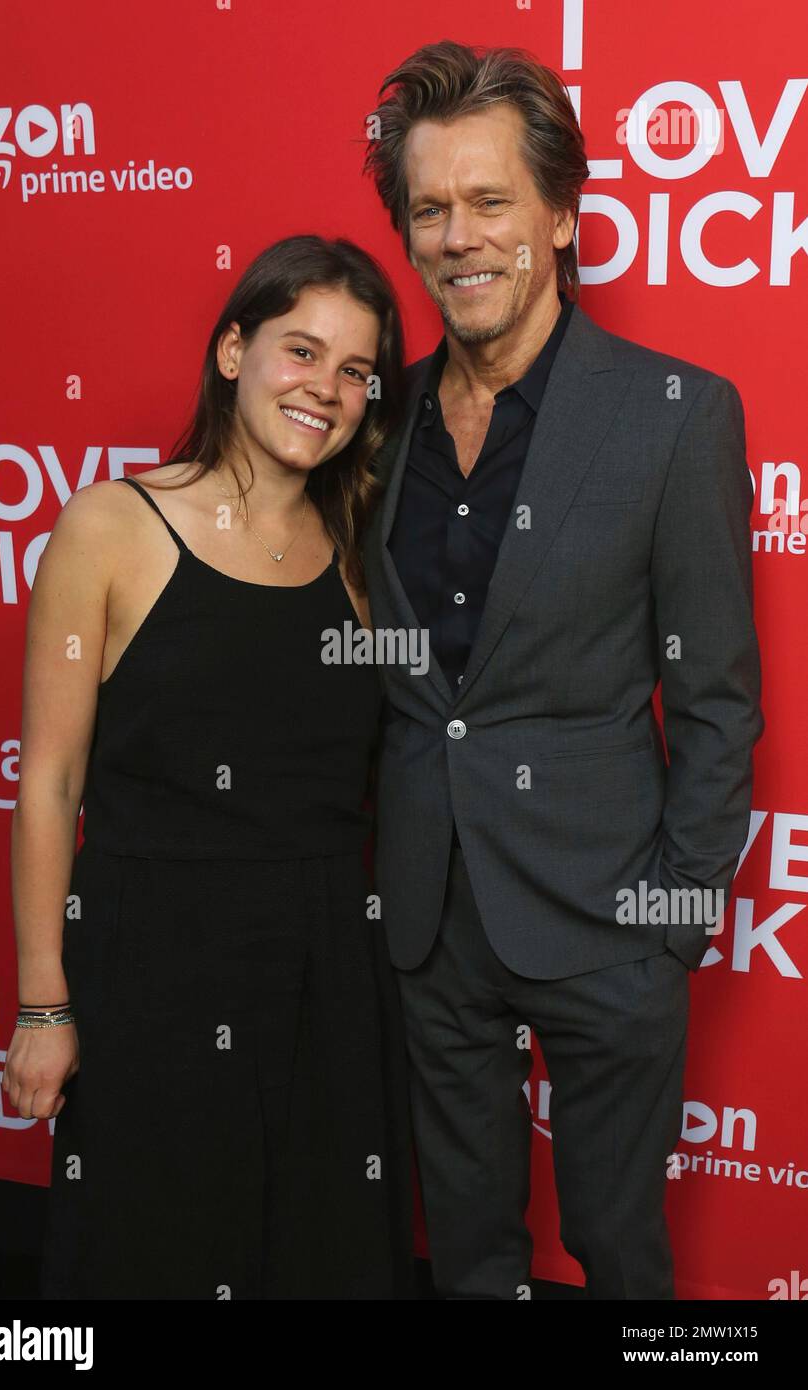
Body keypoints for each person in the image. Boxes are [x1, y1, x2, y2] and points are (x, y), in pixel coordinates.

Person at [361, 41, 764, 1299]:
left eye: (488, 202)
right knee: (467, 1251)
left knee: (619, 1255)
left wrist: (674, 921)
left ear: (560, 216)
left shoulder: (676, 414)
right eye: (429, 209)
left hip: (609, 924)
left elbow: (713, 697)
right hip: (430, 914)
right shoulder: (382, 417)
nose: (457, 236)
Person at [4, 234, 416, 1299]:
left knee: (323, 1255)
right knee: (154, 1252)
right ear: (233, 350)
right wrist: (45, 1007)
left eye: (355, 372)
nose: (324, 390)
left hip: (329, 965)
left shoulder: (365, 552)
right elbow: (48, 783)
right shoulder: (109, 525)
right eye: (299, 351)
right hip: (153, 961)